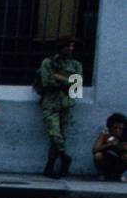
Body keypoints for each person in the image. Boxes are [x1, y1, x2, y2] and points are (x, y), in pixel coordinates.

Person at [37, 35, 82, 179]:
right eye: (68, 46)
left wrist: (59, 77)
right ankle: (64, 157)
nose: (70, 49)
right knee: (54, 133)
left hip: (66, 104)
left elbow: (77, 86)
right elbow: (47, 82)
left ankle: (50, 166)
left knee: (60, 136)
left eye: (72, 46)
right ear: (60, 47)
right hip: (50, 103)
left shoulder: (75, 65)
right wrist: (67, 81)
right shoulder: (48, 63)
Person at [92, 112, 127, 182]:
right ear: (110, 127)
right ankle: (103, 174)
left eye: (120, 128)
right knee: (98, 156)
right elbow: (94, 150)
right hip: (107, 162)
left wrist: (122, 146)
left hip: (119, 163)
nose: (117, 130)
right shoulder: (105, 133)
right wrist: (109, 145)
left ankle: (120, 174)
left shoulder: (125, 135)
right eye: (115, 128)